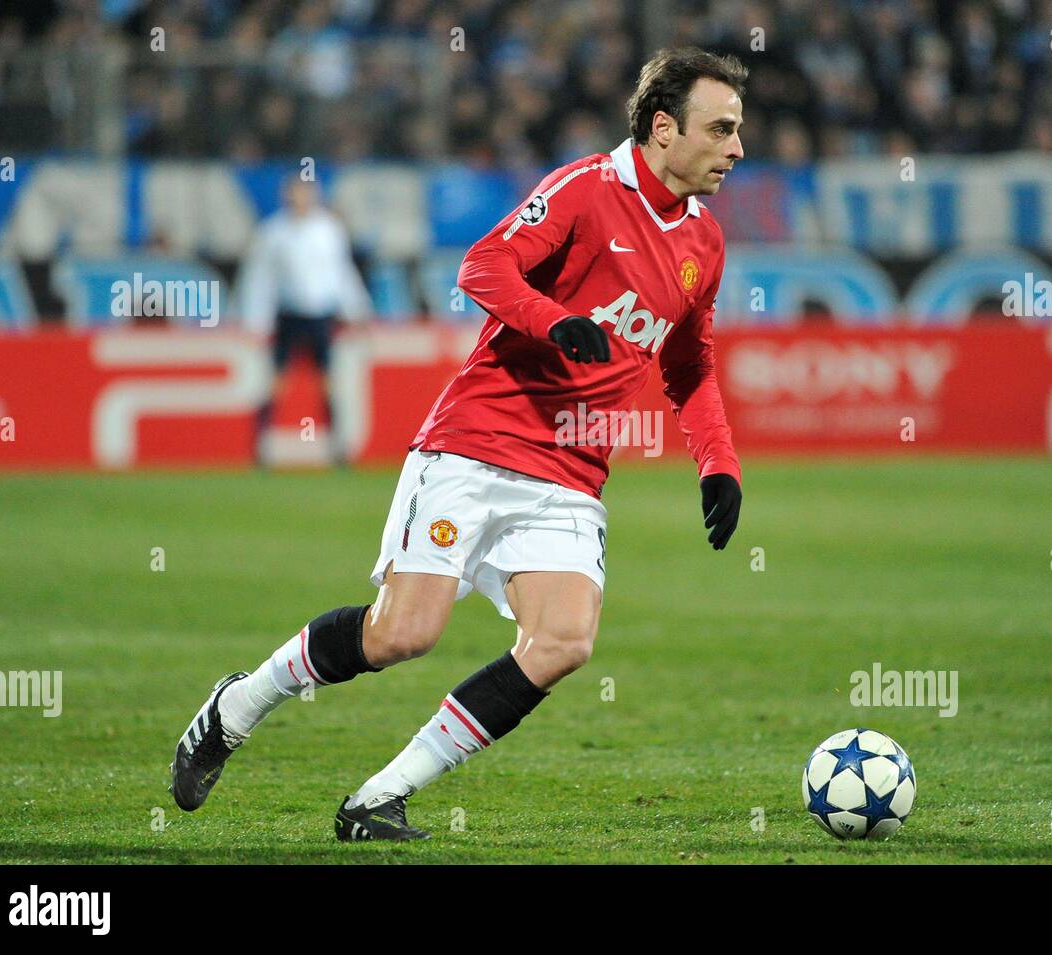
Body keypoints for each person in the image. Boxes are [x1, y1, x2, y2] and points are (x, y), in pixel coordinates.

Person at [170, 47, 747, 842]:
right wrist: (555, 320)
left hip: (573, 471)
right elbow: (484, 265)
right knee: (401, 634)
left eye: (737, 131)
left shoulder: (705, 244)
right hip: (478, 442)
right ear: (662, 128)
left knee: (564, 640)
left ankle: (379, 796)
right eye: (720, 129)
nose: (735, 148)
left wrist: (718, 463)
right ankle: (236, 704)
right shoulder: (584, 191)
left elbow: (691, 366)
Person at [238, 177, 372, 465]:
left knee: (328, 382)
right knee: (276, 382)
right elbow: (260, 279)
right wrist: (255, 320)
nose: (299, 198)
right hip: (288, 315)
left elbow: (341, 272)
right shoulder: (273, 232)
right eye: (294, 193)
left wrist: (356, 309)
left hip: (321, 315)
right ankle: (261, 447)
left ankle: (338, 449)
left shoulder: (328, 229)